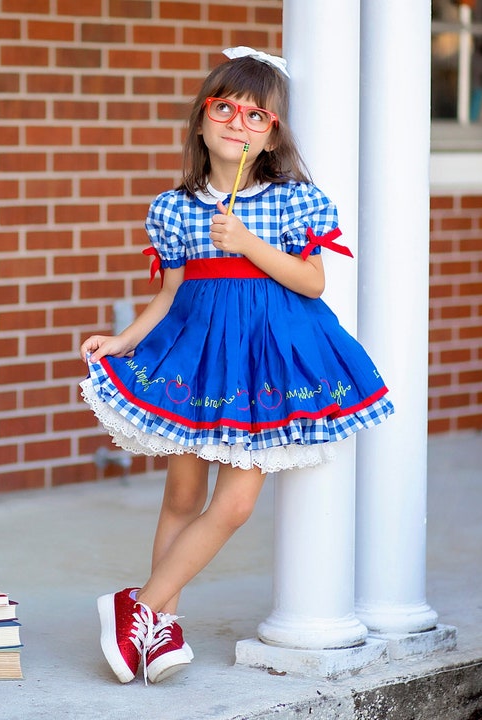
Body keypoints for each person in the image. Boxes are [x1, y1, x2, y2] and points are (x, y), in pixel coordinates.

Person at [78, 46, 395, 685]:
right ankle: (161, 625)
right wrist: (124, 338)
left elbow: (311, 282)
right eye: (225, 108)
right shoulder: (175, 207)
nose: (239, 122)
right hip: (197, 359)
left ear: (273, 137)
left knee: (236, 504)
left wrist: (248, 243)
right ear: (201, 121)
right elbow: (168, 294)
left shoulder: (291, 199)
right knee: (184, 493)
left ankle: (136, 605)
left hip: (266, 364)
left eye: (257, 116)